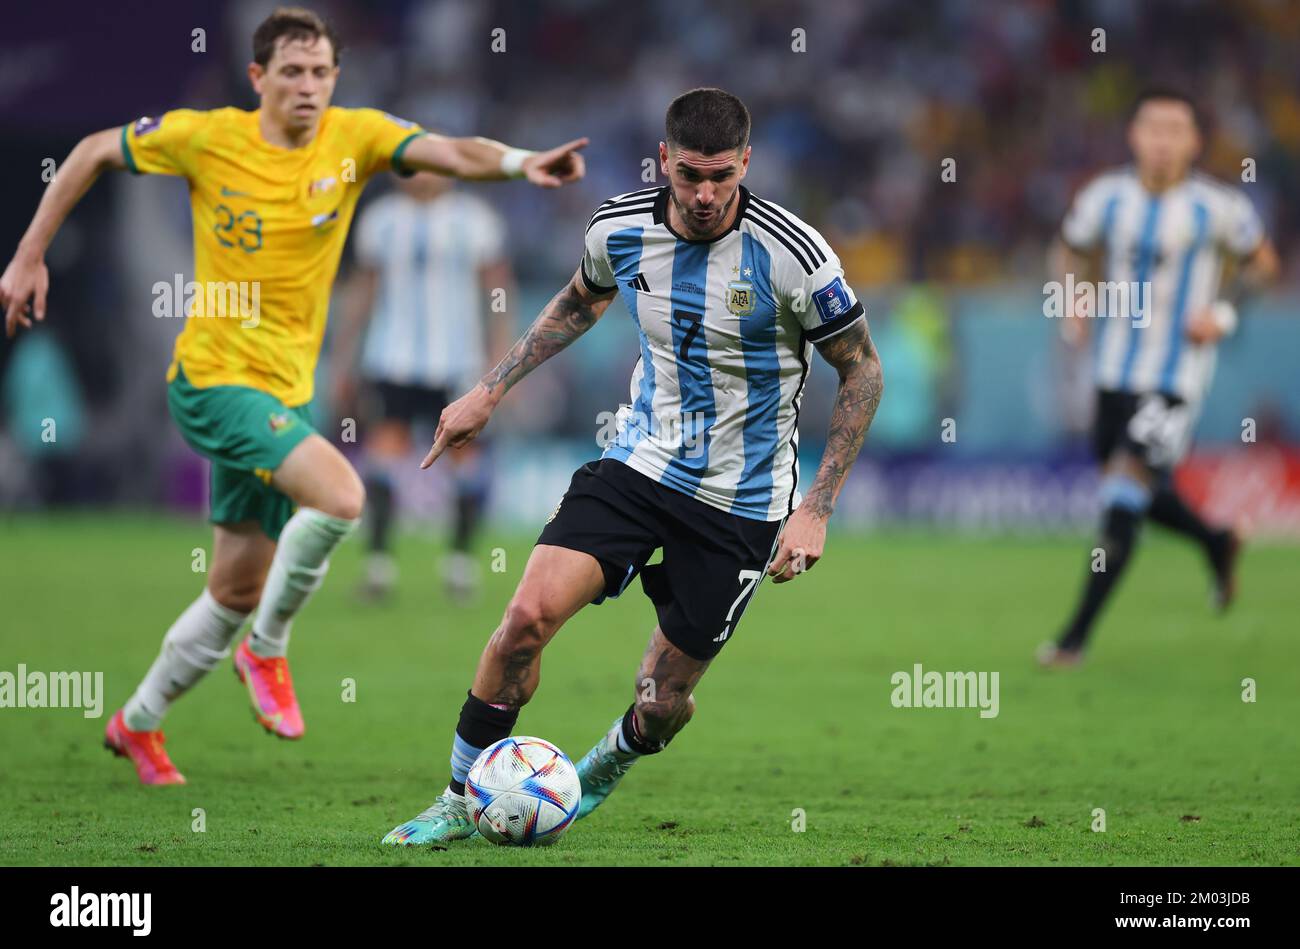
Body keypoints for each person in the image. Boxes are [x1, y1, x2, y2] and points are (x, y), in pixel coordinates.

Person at [0, 6, 587, 784]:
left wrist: (520, 163)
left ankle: (137, 723)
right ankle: (268, 651)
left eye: (320, 73)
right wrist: (30, 253)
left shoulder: (355, 137)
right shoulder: (206, 138)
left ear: (334, 79)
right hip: (212, 382)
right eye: (292, 73)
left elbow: (449, 150)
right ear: (258, 79)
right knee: (343, 496)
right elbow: (92, 151)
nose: (308, 86)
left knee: (234, 587)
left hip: (285, 395)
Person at [381, 87, 884, 846]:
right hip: (638, 463)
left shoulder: (795, 255)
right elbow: (582, 301)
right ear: (663, 161)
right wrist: (490, 391)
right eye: (689, 175)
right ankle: (458, 797)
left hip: (740, 502)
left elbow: (863, 371)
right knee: (523, 621)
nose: (707, 193)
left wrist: (815, 507)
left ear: (746, 162)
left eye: (722, 174)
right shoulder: (618, 228)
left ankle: (606, 764)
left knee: (661, 700)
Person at [1041, 88, 1279, 667]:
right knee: (1139, 490)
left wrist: (1223, 313)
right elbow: (1068, 250)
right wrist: (1070, 298)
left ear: (1195, 142)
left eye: (1177, 129)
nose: (1163, 140)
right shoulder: (1104, 198)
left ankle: (1072, 640)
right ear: (1134, 135)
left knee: (1123, 495)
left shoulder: (1218, 207)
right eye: (1153, 127)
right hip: (1111, 370)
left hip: (1175, 378)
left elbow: (1263, 265)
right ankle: (1218, 541)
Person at [332, 172, 515, 602]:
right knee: (383, 452)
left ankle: (460, 564)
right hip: (391, 357)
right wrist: (344, 357)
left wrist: (502, 358)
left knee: (465, 456)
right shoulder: (380, 219)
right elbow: (364, 290)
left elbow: (497, 289)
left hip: (458, 358)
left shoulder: (474, 220)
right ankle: (378, 565)